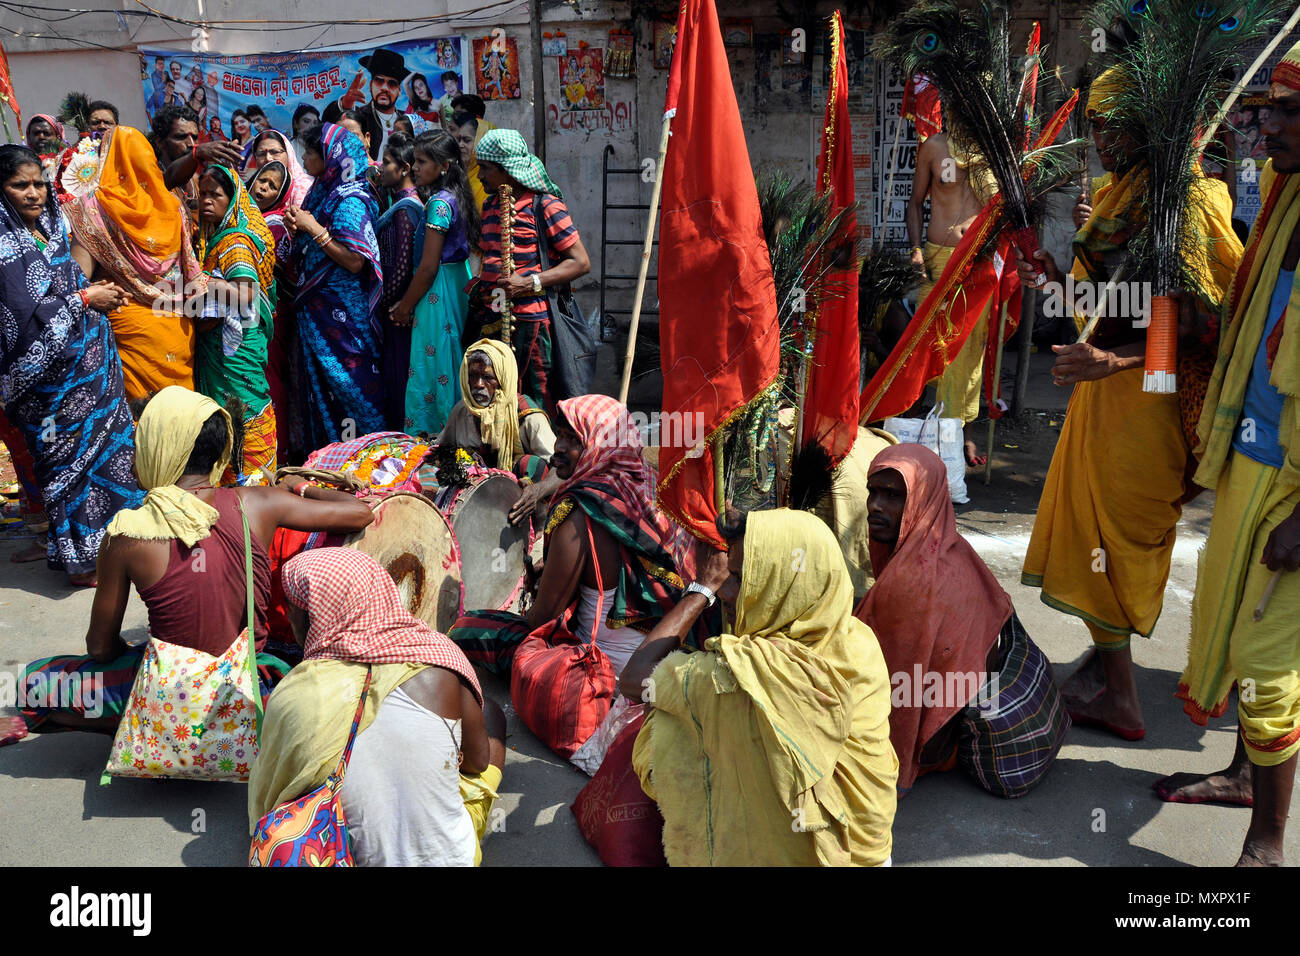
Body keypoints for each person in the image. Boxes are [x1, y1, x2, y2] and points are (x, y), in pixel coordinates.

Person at [1016, 70, 1242, 741]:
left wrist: (1116, 361)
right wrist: (1056, 287)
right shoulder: (1124, 193)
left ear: (1149, 127)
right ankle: (1107, 660)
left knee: (1114, 543)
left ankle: (1122, 702)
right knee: (1092, 539)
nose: (1101, 138)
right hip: (1106, 399)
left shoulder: (1186, 201)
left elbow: (1205, 323)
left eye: (1114, 123)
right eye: (1094, 123)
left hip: (1150, 406)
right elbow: (1104, 311)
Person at [0, 387, 375, 748]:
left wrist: (142, 655)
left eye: (138, 444)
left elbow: (100, 648)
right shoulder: (259, 503)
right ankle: (234, 734)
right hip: (252, 692)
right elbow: (360, 512)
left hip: (166, 700)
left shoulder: (125, 533)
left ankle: (134, 726)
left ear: (160, 450)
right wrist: (299, 486)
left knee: (33, 680)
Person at [1155, 45, 1300, 866]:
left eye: (1287, 113)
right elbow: (1246, 331)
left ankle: (1269, 846)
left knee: (1271, 664)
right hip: (1252, 457)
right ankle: (1246, 776)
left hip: (1298, 484)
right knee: (1228, 621)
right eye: (1266, 110)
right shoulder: (1283, 204)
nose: (1267, 127)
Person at [622, 508, 898, 866]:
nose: (727, 591)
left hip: (793, 857)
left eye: (737, 576)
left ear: (779, 583)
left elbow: (634, 679)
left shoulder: (742, 672)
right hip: (868, 852)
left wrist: (701, 589)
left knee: (675, 718)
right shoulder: (857, 640)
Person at [249, 547, 505, 867]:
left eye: (294, 606)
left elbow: (274, 797)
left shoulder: (295, 693)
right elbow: (477, 763)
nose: (287, 615)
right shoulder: (441, 659)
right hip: (453, 860)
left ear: (321, 613)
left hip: (337, 855)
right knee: (491, 713)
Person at [854, 444, 1068, 796]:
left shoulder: (910, 582)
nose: (876, 506)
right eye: (872, 492)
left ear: (925, 499)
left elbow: (895, 688)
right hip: (962, 711)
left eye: (892, 496)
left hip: (941, 742)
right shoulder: (951, 548)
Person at [450, 394, 701, 678]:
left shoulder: (578, 511)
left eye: (574, 440)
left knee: (466, 628)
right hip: (663, 658)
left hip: (608, 668)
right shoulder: (648, 482)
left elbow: (542, 620)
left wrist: (539, 592)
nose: (559, 447)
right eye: (561, 436)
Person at [0, 143, 140, 586]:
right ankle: (82, 559)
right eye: (19, 185)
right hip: (50, 386)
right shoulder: (3, 244)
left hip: (91, 368)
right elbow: (22, 317)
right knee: (68, 464)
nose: (33, 193)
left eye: (38, 183)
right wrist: (84, 299)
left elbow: (68, 279)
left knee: (113, 455)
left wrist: (95, 294)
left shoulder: (49, 224)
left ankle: (121, 545)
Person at [64, 126, 211, 401]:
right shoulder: (174, 205)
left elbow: (78, 276)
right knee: (182, 409)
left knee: (144, 416)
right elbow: (190, 266)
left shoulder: (94, 208)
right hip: (177, 325)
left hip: (130, 324)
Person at [283, 123, 385, 454]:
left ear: (331, 158)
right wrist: (299, 228)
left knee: (351, 389)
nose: (304, 157)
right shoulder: (321, 192)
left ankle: (367, 460)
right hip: (319, 314)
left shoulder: (351, 199)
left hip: (343, 318)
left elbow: (356, 261)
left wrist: (313, 228)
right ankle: (331, 462)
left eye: (311, 152)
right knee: (324, 393)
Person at [471, 129, 591, 411]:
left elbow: (580, 262)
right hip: (492, 321)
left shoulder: (545, 206)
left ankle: (543, 455)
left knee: (538, 403)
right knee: (498, 399)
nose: (479, 176)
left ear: (508, 171)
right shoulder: (489, 206)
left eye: (486, 168)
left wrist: (529, 283)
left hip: (533, 326)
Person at [906, 127, 998, 467]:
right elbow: (915, 202)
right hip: (938, 256)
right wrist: (915, 251)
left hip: (979, 259)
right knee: (932, 343)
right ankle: (929, 428)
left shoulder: (994, 145)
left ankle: (964, 433)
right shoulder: (933, 147)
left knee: (972, 347)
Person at [194, 164, 278, 481]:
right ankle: (237, 489)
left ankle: (256, 482)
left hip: (237, 350)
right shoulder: (212, 238)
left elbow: (245, 295)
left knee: (245, 406)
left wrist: (198, 281)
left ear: (231, 200)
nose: (205, 201)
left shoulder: (234, 242)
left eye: (214, 195)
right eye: (201, 194)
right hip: (221, 348)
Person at [391, 129, 476, 435]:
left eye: (422, 161)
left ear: (445, 165)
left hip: (437, 290)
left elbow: (427, 267)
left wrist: (405, 306)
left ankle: (436, 439)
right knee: (451, 360)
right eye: (414, 160)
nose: (414, 167)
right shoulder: (455, 197)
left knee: (436, 364)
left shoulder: (439, 204)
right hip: (455, 284)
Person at [436, 340, 557, 500]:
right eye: (473, 376)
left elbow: (560, 466)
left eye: (487, 377)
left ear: (503, 379)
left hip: (520, 499)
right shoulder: (462, 411)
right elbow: (440, 448)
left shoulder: (528, 416)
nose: (479, 384)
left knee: (531, 463)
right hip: (474, 497)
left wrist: (536, 491)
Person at [247, 160, 296, 464]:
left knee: (268, 376)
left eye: (272, 186)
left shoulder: (274, 225)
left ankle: (273, 450)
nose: (263, 188)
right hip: (249, 309)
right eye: (261, 180)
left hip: (270, 313)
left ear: (283, 194)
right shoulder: (248, 218)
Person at [375, 132, 425, 431]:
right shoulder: (397, 205)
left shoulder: (406, 210)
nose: (381, 168)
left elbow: (403, 267)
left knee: (400, 379)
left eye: (387, 162)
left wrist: (384, 305)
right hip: (397, 308)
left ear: (404, 169)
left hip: (399, 311)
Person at [323, 46, 413, 162]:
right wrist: (345, 104)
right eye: (379, 81)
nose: (385, 88)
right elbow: (328, 126)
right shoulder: (359, 116)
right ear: (371, 85)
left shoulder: (405, 119)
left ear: (399, 90)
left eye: (391, 83)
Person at [240, 128, 314, 208]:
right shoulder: (250, 185)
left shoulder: (303, 187)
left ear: (288, 153)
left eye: (275, 152)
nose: (268, 158)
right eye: (261, 154)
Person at [446, 109, 494, 214]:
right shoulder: (460, 174)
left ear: (482, 141)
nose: (460, 145)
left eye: (466, 140)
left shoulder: (491, 181)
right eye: (459, 140)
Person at [24, 114, 65, 181]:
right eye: (36, 133)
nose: (41, 137)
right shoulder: (21, 164)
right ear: (29, 137)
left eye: (46, 133)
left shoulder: (69, 161)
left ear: (58, 137)